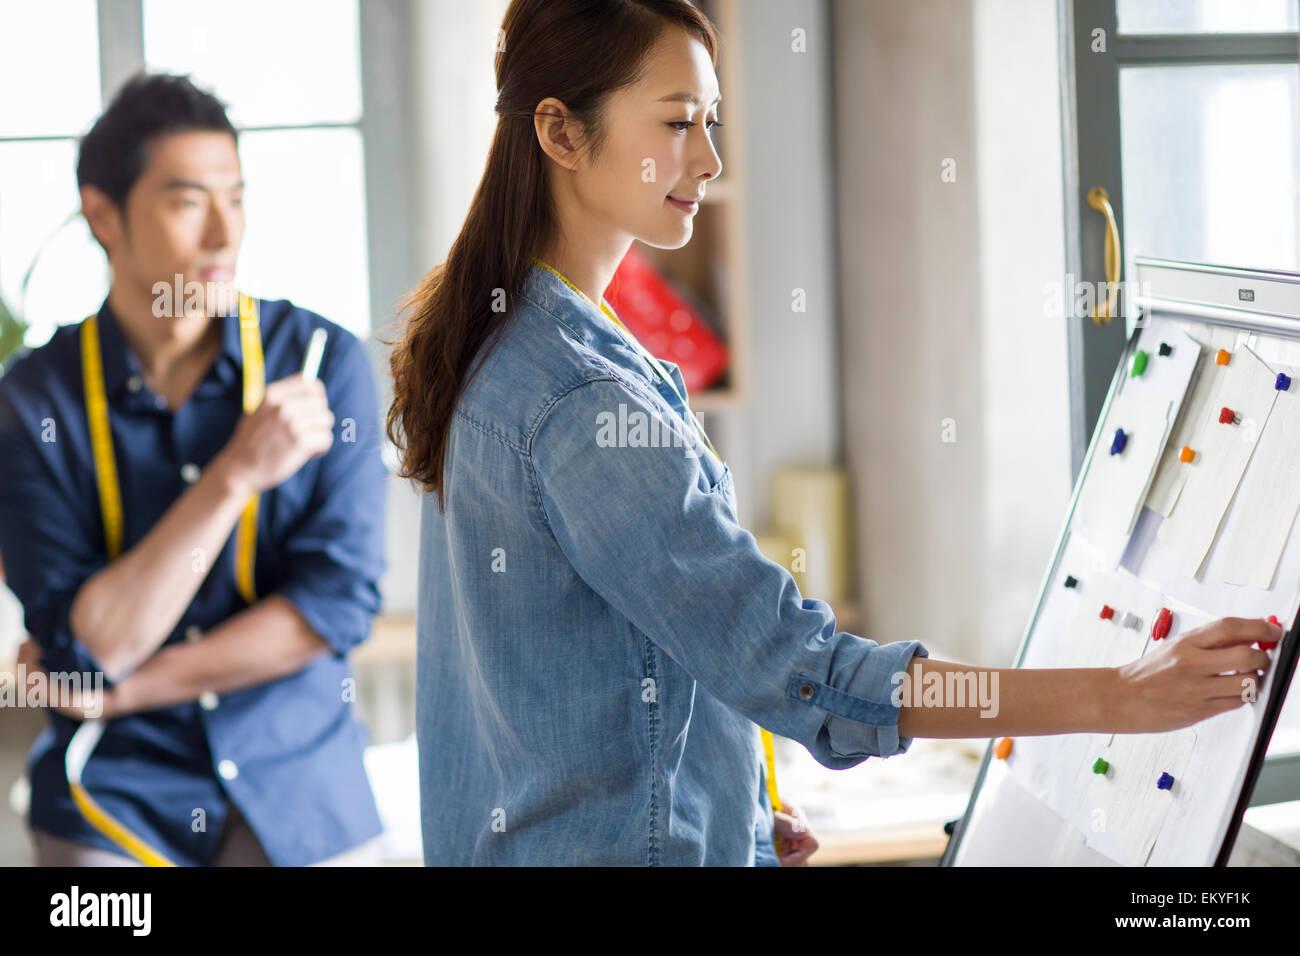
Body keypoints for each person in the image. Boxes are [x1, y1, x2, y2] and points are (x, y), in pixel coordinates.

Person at [386, 0, 1281, 866]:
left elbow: (569, 671)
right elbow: (800, 665)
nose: (707, 156)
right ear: (561, 132)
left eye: (712, 119)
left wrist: (732, 798)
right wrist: (1114, 696)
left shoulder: (513, 342)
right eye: (675, 123)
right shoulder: (580, 398)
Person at [0, 73, 389, 866]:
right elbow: (89, 645)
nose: (223, 236)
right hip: (113, 786)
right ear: (103, 215)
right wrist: (235, 475)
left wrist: (127, 690)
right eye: (187, 202)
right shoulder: (32, 399)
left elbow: (336, 604)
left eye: (236, 198)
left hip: (297, 773)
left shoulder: (319, 362)